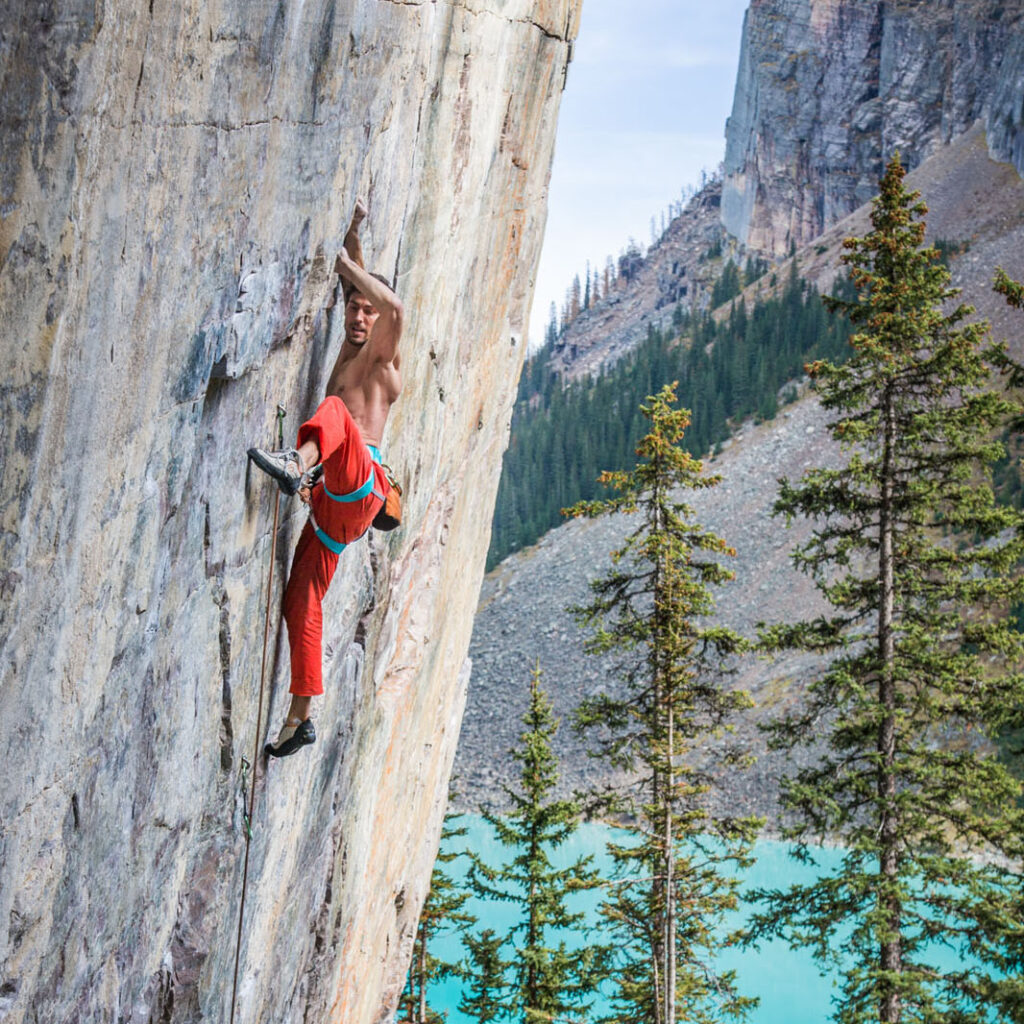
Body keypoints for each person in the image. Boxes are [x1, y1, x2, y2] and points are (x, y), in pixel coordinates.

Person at [248, 201, 403, 757]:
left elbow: (394, 306)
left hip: (357, 485)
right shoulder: (351, 347)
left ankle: (296, 461)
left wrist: (344, 262)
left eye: (368, 312)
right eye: (354, 310)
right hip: (335, 506)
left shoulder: (383, 361)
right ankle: (299, 716)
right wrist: (356, 236)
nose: (359, 319)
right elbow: (362, 293)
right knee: (301, 595)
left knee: (335, 413)